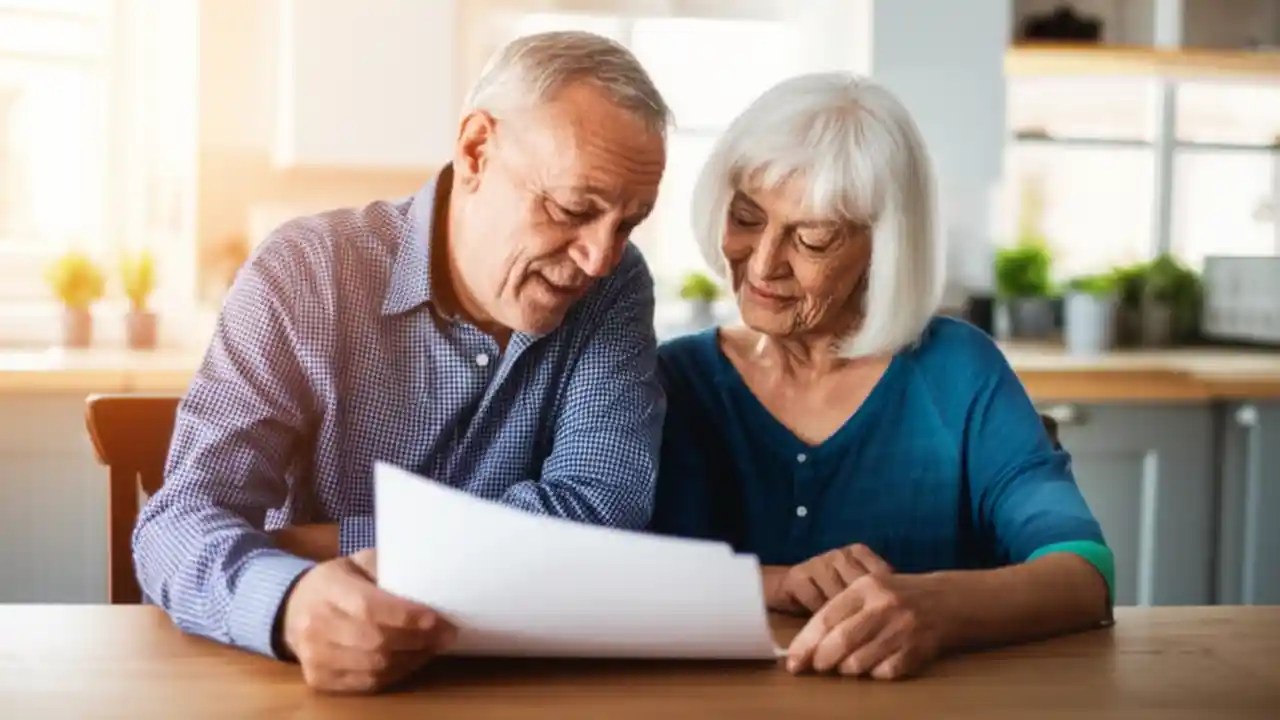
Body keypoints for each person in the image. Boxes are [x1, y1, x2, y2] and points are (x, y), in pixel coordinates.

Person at [133, 31, 671, 694]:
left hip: (514, 694)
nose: (599, 257)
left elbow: (599, 516)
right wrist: (290, 604)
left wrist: (315, 542)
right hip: (306, 690)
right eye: (572, 209)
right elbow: (181, 519)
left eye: (628, 223)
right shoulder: (306, 273)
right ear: (477, 150)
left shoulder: (616, 288)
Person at [649, 72, 1114, 681]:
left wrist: (938, 607)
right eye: (746, 217)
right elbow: (623, 576)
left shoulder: (959, 372)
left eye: (813, 239)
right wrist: (775, 582)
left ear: (883, 249)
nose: (763, 263)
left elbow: (1084, 572)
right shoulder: (675, 380)